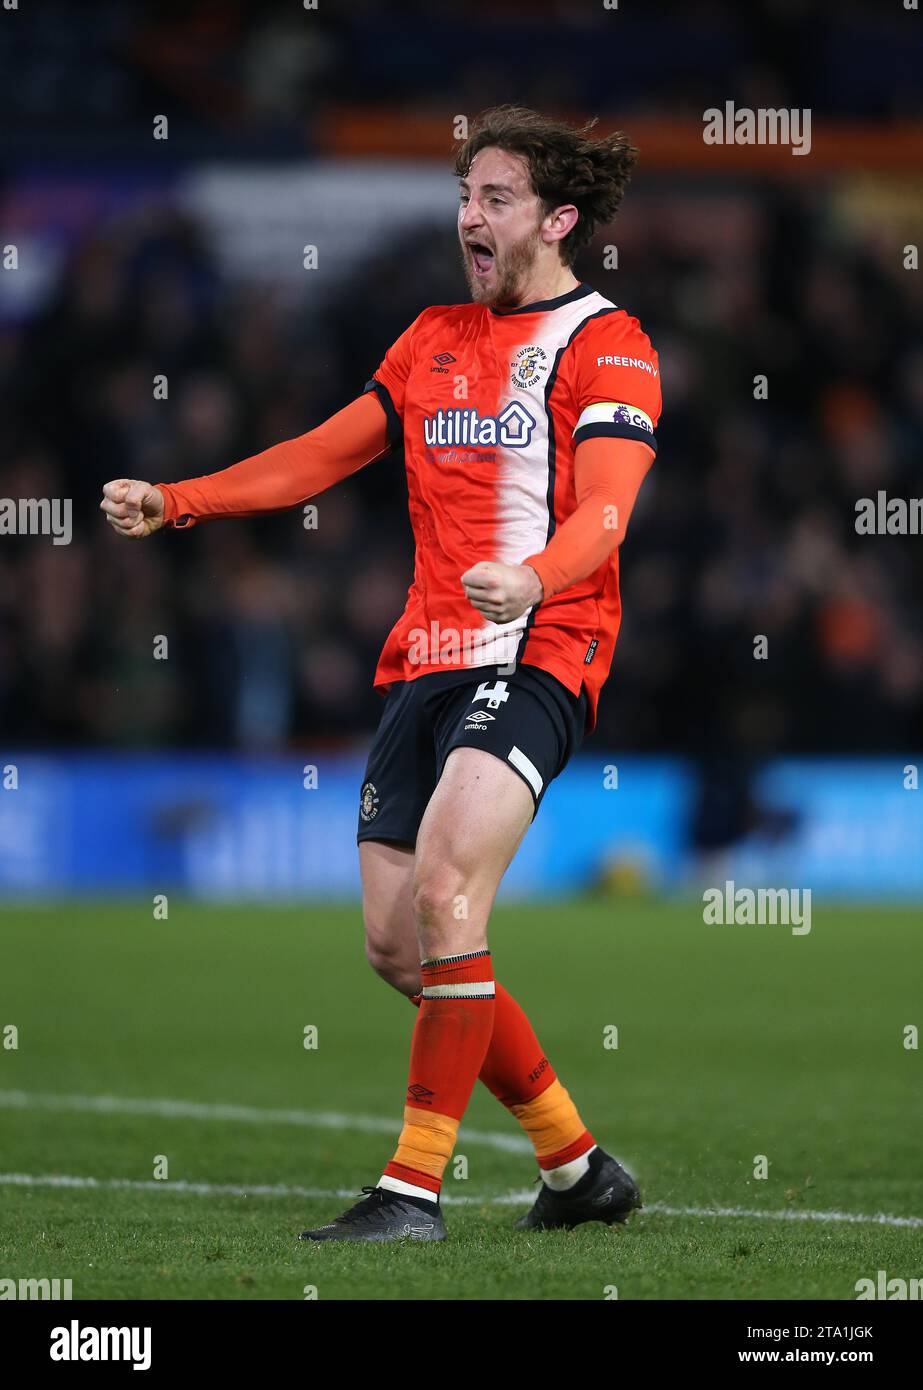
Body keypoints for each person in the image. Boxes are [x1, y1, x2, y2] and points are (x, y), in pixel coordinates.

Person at [100, 105, 661, 1243]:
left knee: (451, 895)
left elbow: (605, 511)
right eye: (464, 193)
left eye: (495, 197)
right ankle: (575, 1164)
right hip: (426, 659)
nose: (469, 214)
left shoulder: (609, 343)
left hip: (539, 648)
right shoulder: (428, 338)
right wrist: (178, 500)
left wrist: (536, 575)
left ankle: (410, 1191)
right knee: (402, 945)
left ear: (556, 219)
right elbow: (324, 452)